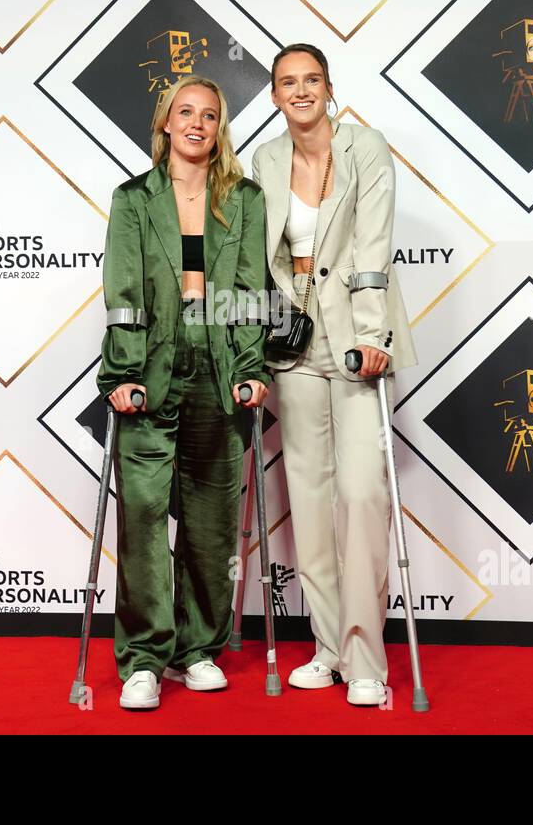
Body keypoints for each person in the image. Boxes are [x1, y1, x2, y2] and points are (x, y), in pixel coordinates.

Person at [251, 43, 417, 706]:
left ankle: (365, 657)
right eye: (287, 82)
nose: (299, 91)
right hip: (290, 348)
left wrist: (374, 332)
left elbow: (373, 244)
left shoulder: (365, 148)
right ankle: (327, 647)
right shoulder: (264, 160)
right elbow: (259, 256)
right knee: (311, 502)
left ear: (328, 87)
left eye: (310, 79)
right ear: (273, 96)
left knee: (360, 494)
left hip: (355, 343)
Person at [97, 75, 270, 710]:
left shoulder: (244, 198)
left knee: (211, 518)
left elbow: (251, 293)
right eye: (186, 112)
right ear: (165, 121)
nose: (197, 123)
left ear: (220, 128)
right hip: (152, 364)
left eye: (210, 115)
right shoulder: (134, 198)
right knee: (142, 515)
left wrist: (252, 365)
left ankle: (197, 648)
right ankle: (144, 657)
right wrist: (122, 375)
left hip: (219, 364)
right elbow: (122, 296)